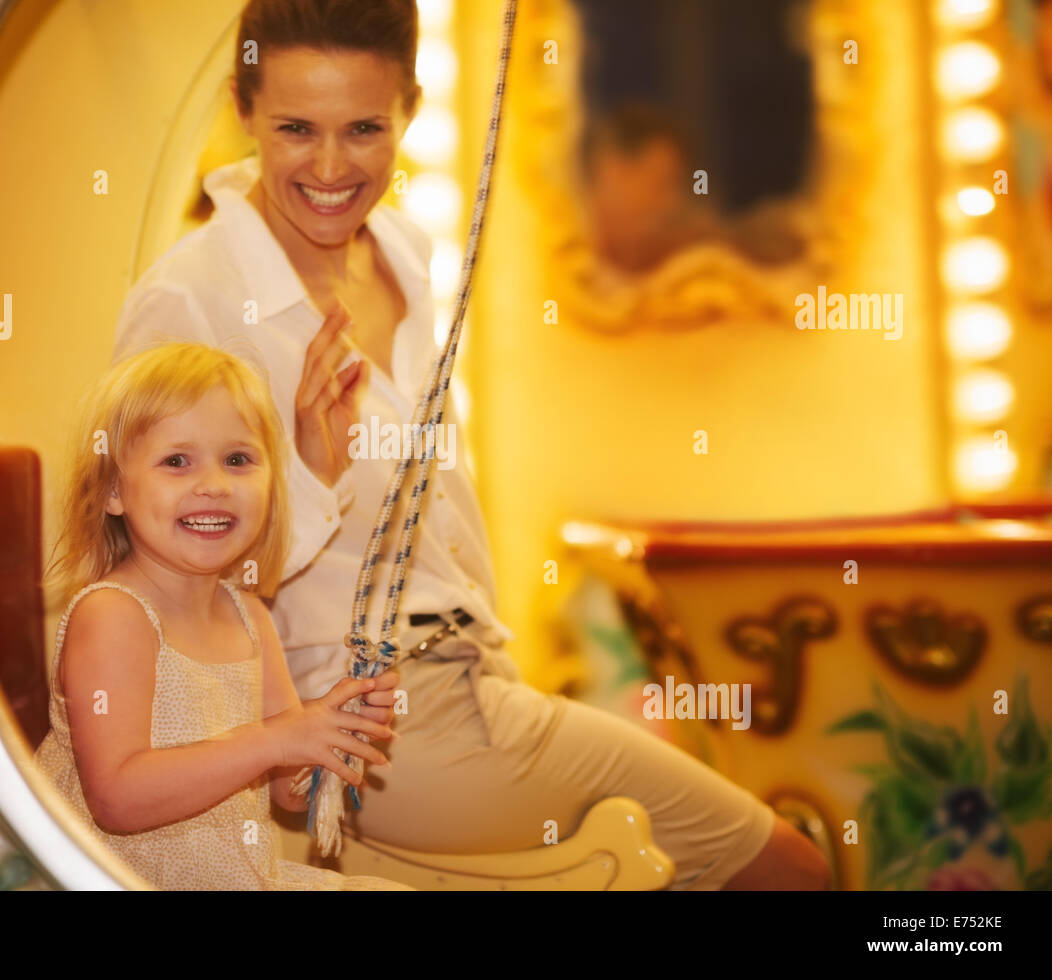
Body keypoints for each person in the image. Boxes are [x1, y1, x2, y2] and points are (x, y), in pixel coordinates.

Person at [113, 0, 830, 890]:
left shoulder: (406, 260)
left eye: (365, 129)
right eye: (297, 129)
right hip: (346, 719)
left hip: (470, 674)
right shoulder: (192, 298)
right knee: (787, 870)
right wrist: (305, 469)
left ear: (411, 107)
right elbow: (149, 576)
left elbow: (445, 530)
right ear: (243, 107)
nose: (331, 168)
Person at [33, 342, 410, 890]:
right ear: (115, 491)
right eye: (176, 461)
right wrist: (274, 739)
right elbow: (116, 798)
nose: (213, 484)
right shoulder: (113, 615)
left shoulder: (249, 616)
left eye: (237, 460)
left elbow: (286, 792)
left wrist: (328, 730)